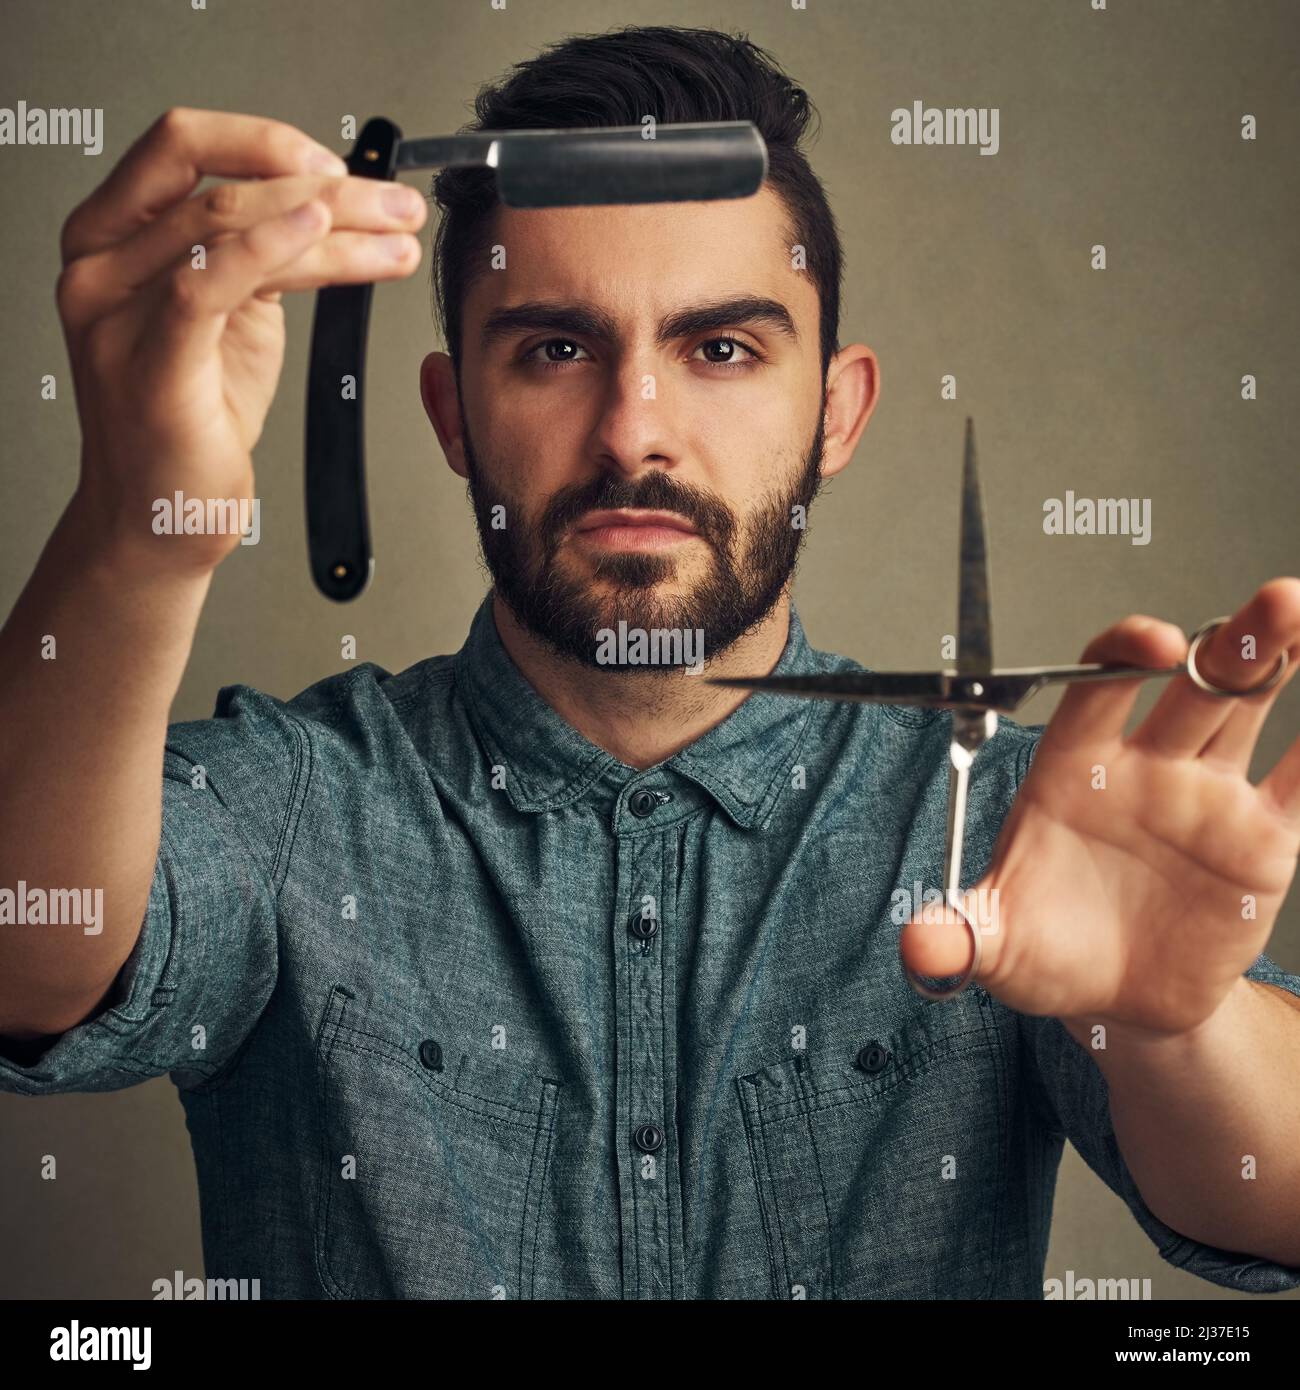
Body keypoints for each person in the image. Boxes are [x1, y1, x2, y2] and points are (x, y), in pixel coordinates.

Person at [1, 24, 1299, 1302]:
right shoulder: (293, 807)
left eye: (721, 348)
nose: (636, 431)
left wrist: (1176, 1029)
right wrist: (134, 532)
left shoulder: (1012, 830)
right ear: (453, 416)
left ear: (835, 410)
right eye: (556, 349)